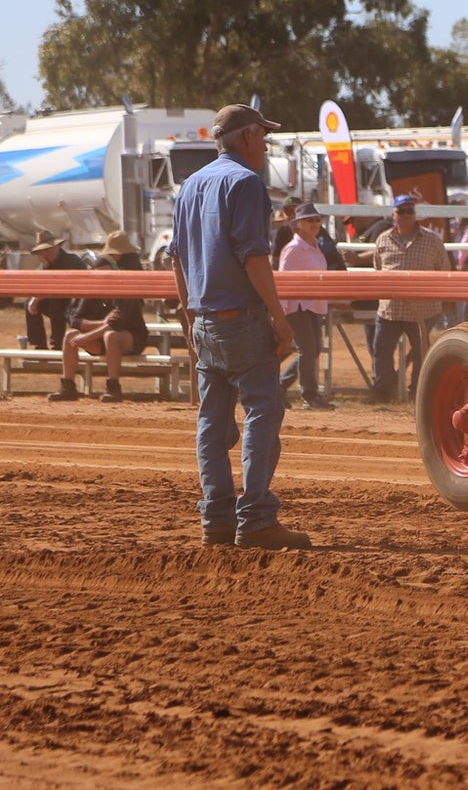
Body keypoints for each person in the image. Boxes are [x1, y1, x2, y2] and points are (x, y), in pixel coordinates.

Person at [168, 103, 310, 549]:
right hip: (243, 321)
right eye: (263, 137)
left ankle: (217, 520)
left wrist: (191, 317)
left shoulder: (190, 185)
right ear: (247, 137)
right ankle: (257, 518)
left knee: (211, 423)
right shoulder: (246, 184)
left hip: (206, 322)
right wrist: (279, 318)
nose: (265, 145)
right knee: (263, 415)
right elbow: (253, 256)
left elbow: (176, 258)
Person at [371, 194, 452, 403]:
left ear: (415, 215)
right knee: (381, 351)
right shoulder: (383, 239)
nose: (406, 215)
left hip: (422, 309)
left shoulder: (433, 240)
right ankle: (383, 393)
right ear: (393, 214)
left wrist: (444, 297)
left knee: (421, 354)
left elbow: (444, 271)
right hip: (390, 308)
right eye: (401, 211)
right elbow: (378, 269)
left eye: (410, 211)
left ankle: (418, 393)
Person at [47, 232, 147, 403]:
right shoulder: (90, 288)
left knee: (111, 336)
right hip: (103, 336)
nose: (104, 278)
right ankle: (68, 386)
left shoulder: (125, 284)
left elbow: (116, 323)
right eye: (99, 274)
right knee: (70, 335)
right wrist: (100, 324)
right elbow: (74, 318)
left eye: (107, 273)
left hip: (130, 336)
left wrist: (87, 335)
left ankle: (113, 387)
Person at [279, 202, 336, 410]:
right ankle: (309, 395)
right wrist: (282, 309)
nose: (314, 224)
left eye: (317, 220)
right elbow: (283, 279)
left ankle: (282, 387)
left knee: (313, 349)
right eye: (309, 220)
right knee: (308, 349)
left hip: (311, 304)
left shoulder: (313, 245)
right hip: (298, 305)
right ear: (298, 224)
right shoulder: (293, 249)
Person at [24, 230, 87, 350]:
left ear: (57, 247)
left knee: (56, 300)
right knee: (28, 302)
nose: (46, 253)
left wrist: (37, 298)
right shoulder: (44, 265)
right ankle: (39, 343)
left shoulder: (70, 261)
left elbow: (62, 288)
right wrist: (45, 269)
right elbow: (36, 288)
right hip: (59, 303)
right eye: (42, 251)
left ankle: (57, 343)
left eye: (49, 249)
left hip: (77, 305)